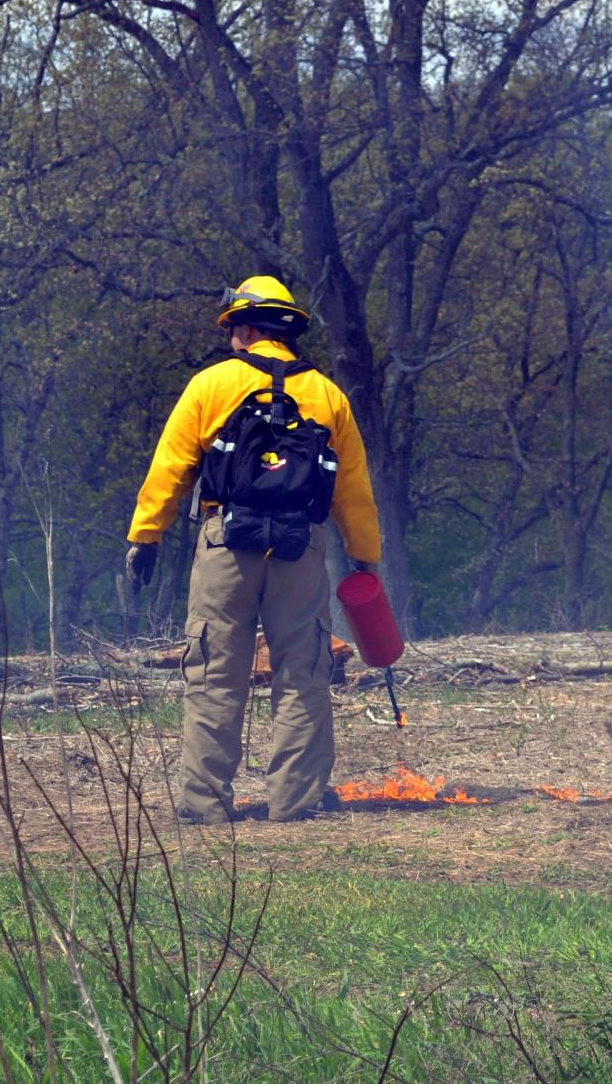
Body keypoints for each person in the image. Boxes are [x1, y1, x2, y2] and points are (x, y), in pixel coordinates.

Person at [125, 274, 382, 824]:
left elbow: (171, 468)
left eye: (232, 329)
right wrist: (365, 556)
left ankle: (205, 806)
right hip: (300, 548)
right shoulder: (328, 395)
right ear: (286, 330)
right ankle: (295, 803)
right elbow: (353, 489)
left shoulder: (210, 385)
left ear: (244, 328)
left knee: (214, 672)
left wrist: (146, 535)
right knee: (302, 673)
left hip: (226, 545)